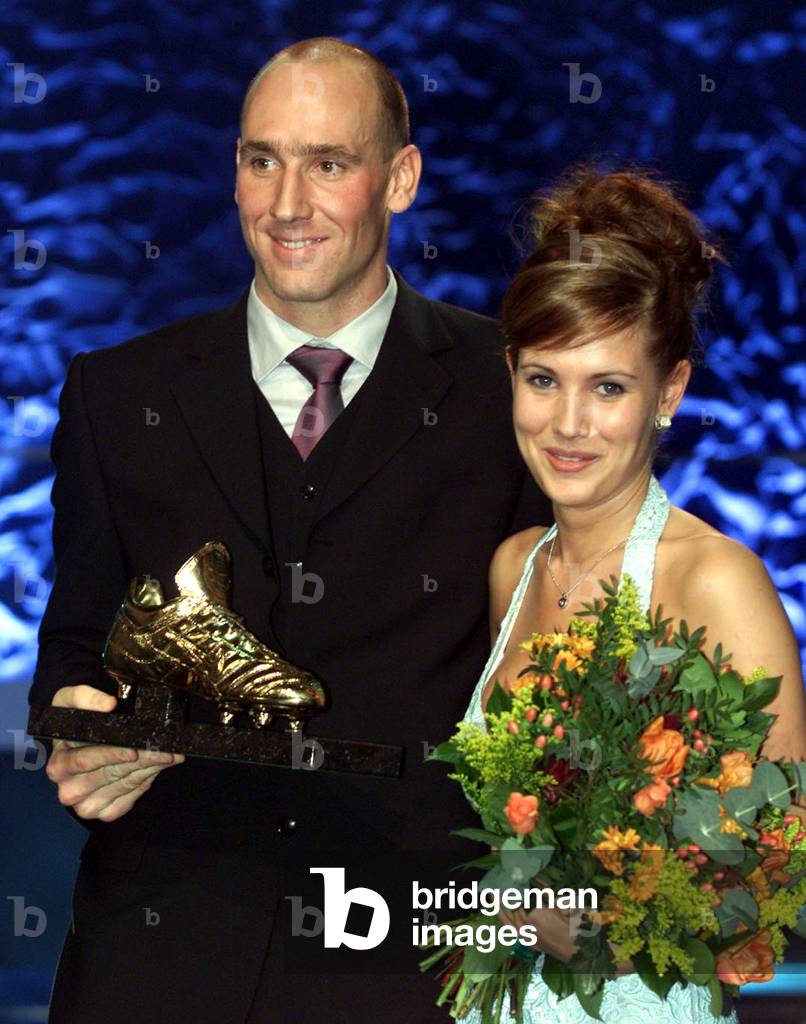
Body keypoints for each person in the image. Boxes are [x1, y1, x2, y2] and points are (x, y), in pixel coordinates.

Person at [31, 38, 549, 1023]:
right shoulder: (118, 392)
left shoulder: (512, 392)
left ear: (398, 180)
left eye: (327, 163)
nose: (284, 203)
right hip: (161, 949)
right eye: (260, 159)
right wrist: (80, 724)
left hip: (409, 957)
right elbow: (74, 634)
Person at [460, 163, 806, 1023]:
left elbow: (778, 877)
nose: (568, 424)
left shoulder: (713, 580)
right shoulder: (513, 568)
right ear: (510, 373)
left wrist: (575, 926)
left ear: (670, 392)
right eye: (543, 379)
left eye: (607, 386)